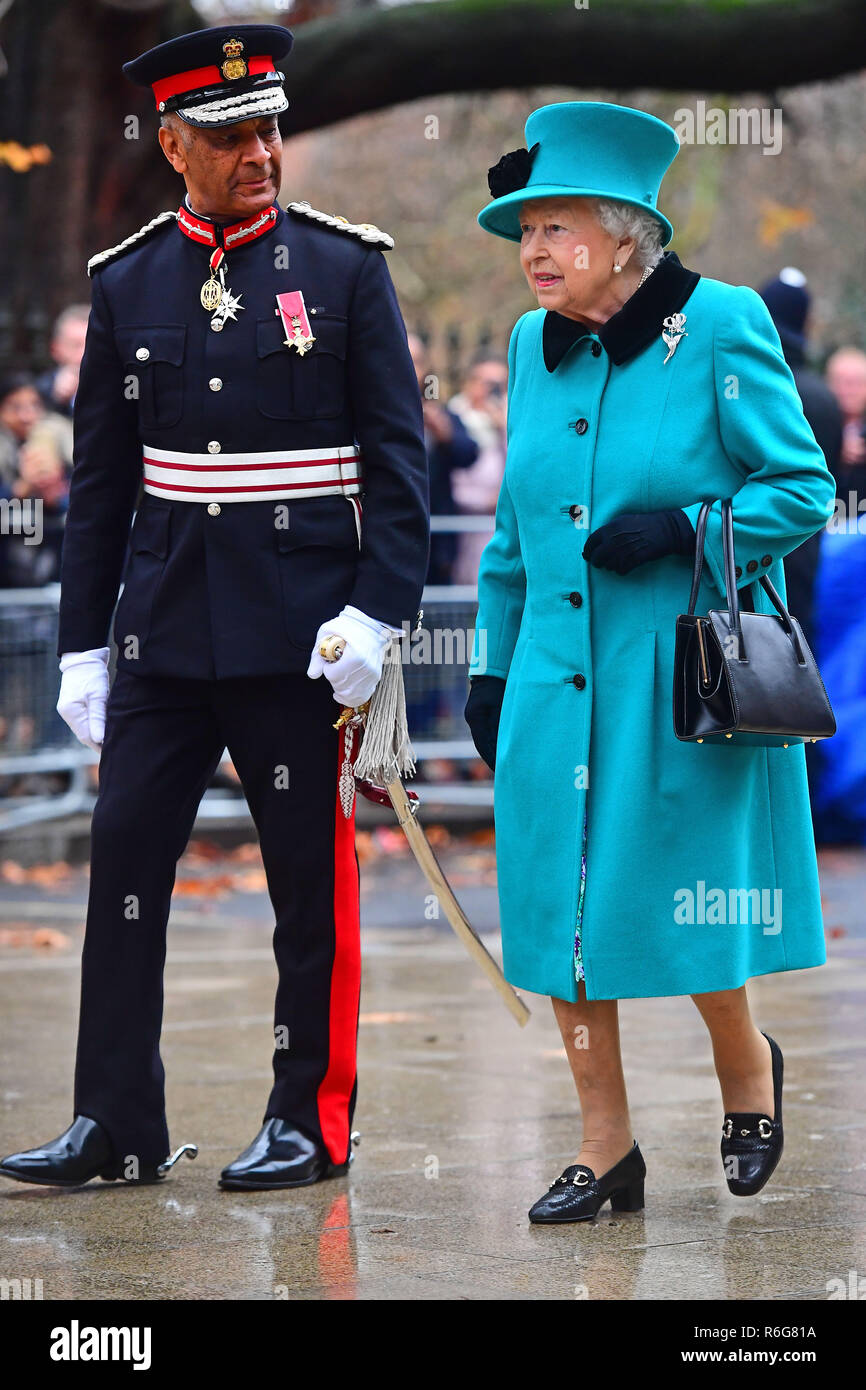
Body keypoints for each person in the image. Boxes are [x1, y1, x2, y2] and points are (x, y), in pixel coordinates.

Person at [0, 24, 428, 1192]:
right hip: (163, 633)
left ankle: (309, 1119)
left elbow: (399, 467)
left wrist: (379, 614)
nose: (263, 152)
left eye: (272, 128)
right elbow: (100, 489)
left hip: (301, 633)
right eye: (234, 134)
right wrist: (84, 647)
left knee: (307, 889)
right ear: (175, 143)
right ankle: (114, 1120)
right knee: (123, 874)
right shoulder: (125, 278)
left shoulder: (345, 269)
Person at [464, 102, 835, 1223]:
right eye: (523, 231)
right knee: (560, 922)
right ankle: (604, 1148)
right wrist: (488, 666)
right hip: (548, 677)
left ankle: (744, 1073)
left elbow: (800, 487)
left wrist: (684, 530)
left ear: (624, 237)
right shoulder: (532, 345)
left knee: (680, 899)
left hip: (672, 681)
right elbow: (510, 537)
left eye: (554, 228)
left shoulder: (719, 324)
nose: (532, 252)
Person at [757, 269, 841, 644]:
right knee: (795, 669)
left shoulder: (751, 385)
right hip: (804, 555)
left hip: (745, 559)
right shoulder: (823, 396)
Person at [407, 332, 477, 586]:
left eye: (415, 361)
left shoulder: (442, 414)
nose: (408, 367)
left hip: (437, 546)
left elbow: (469, 454)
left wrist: (444, 434)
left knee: (438, 624)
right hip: (389, 538)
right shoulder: (370, 412)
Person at [448, 350, 508, 585]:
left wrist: (504, 428)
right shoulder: (454, 417)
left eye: (499, 385)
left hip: (498, 522)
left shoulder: (512, 419)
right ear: (471, 383)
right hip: (461, 522)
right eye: (488, 383)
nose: (492, 391)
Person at [35, 305, 90, 420]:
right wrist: (57, 400)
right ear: (55, 350)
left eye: (91, 345)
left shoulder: (123, 386)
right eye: (76, 345)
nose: (85, 353)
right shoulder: (39, 391)